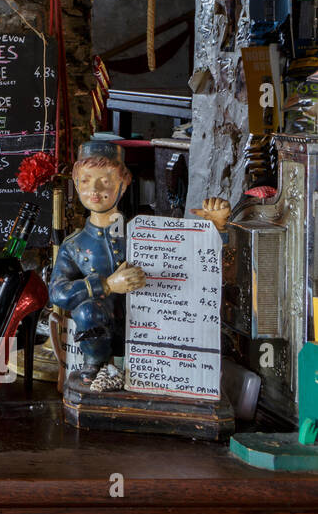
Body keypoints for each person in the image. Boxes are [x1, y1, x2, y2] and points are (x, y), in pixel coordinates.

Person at [49, 139, 231, 382]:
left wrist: (215, 230)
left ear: (123, 185)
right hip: (100, 331)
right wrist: (108, 285)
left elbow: (194, 263)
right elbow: (58, 293)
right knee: (86, 310)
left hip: (152, 332)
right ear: (76, 185)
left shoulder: (145, 232)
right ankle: (95, 366)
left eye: (105, 181)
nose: (94, 189)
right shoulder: (74, 245)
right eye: (86, 180)